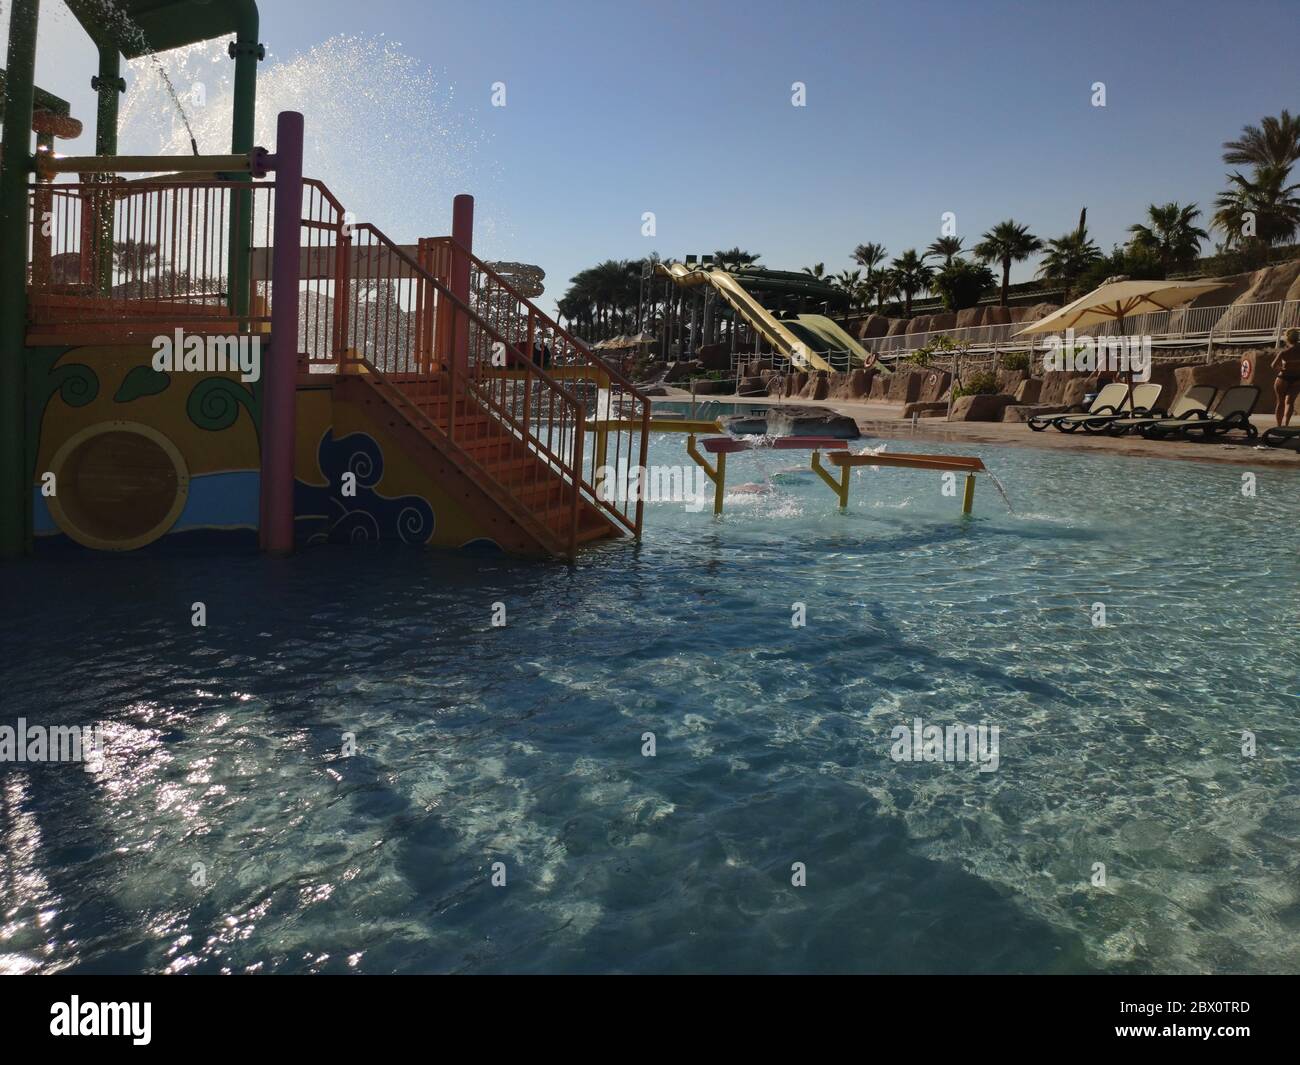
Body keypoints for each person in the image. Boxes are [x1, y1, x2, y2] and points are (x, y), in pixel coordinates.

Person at [1271, 327, 1300, 426]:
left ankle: (1279, 426)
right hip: (1297, 378)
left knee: (1280, 402)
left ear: (1287, 339)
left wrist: (1282, 368)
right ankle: (1286, 425)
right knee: (1290, 402)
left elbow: (1273, 365)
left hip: (1283, 377)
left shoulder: (1284, 352)